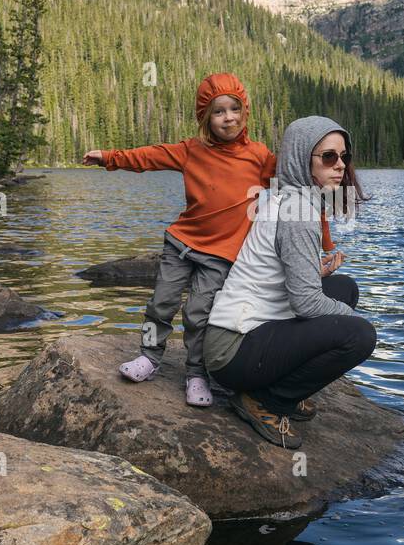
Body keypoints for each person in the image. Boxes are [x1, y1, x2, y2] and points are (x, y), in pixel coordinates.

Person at [82, 74, 336, 406]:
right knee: (160, 304)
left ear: (244, 112)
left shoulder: (259, 157)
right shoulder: (191, 150)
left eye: (234, 109)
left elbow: (302, 190)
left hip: (221, 255)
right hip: (180, 244)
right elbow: (148, 157)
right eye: (218, 112)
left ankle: (196, 374)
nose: (228, 117)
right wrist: (109, 157)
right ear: (206, 117)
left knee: (199, 315)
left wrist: (326, 245)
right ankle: (148, 356)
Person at [204, 116, 375, 449]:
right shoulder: (298, 210)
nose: (340, 165)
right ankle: (266, 401)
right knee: (360, 335)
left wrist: (314, 272)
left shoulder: (292, 198)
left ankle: (277, 383)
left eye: (344, 157)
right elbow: (307, 304)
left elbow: (277, 274)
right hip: (233, 349)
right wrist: (355, 320)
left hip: (250, 328)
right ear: (301, 158)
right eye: (328, 157)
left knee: (345, 288)